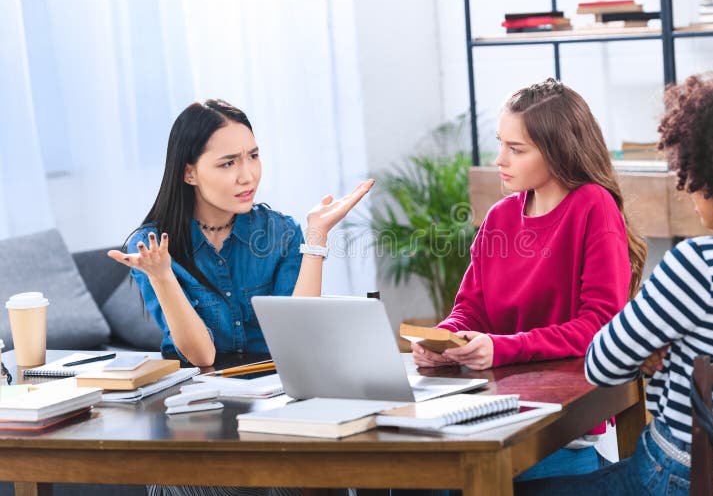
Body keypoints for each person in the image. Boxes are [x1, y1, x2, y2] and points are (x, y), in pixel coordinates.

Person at [517, 72, 713, 495]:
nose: (688, 189)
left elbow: (602, 362)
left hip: (672, 477)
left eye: (692, 173)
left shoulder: (700, 264)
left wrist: (654, 350)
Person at [109, 99, 372, 496]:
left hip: (278, 407)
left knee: (314, 470)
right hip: (198, 417)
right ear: (189, 172)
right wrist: (162, 277)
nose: (247, 175)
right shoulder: (151, 246)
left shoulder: (280, 231)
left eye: (253, 156)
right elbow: (201, 356)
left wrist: (316, 238)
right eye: (227, 163)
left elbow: (298, 338)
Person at [411, 78, 647, 480]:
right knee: (413, 472)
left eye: (515, 149)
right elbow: (471, 308)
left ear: (557, 152)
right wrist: (444, 340)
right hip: (489, 405)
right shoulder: (501, 217)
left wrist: (501, 349)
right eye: (500, 143)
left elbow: (600, 328)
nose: (500, 159)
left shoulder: (593, 207)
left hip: (561, 424)